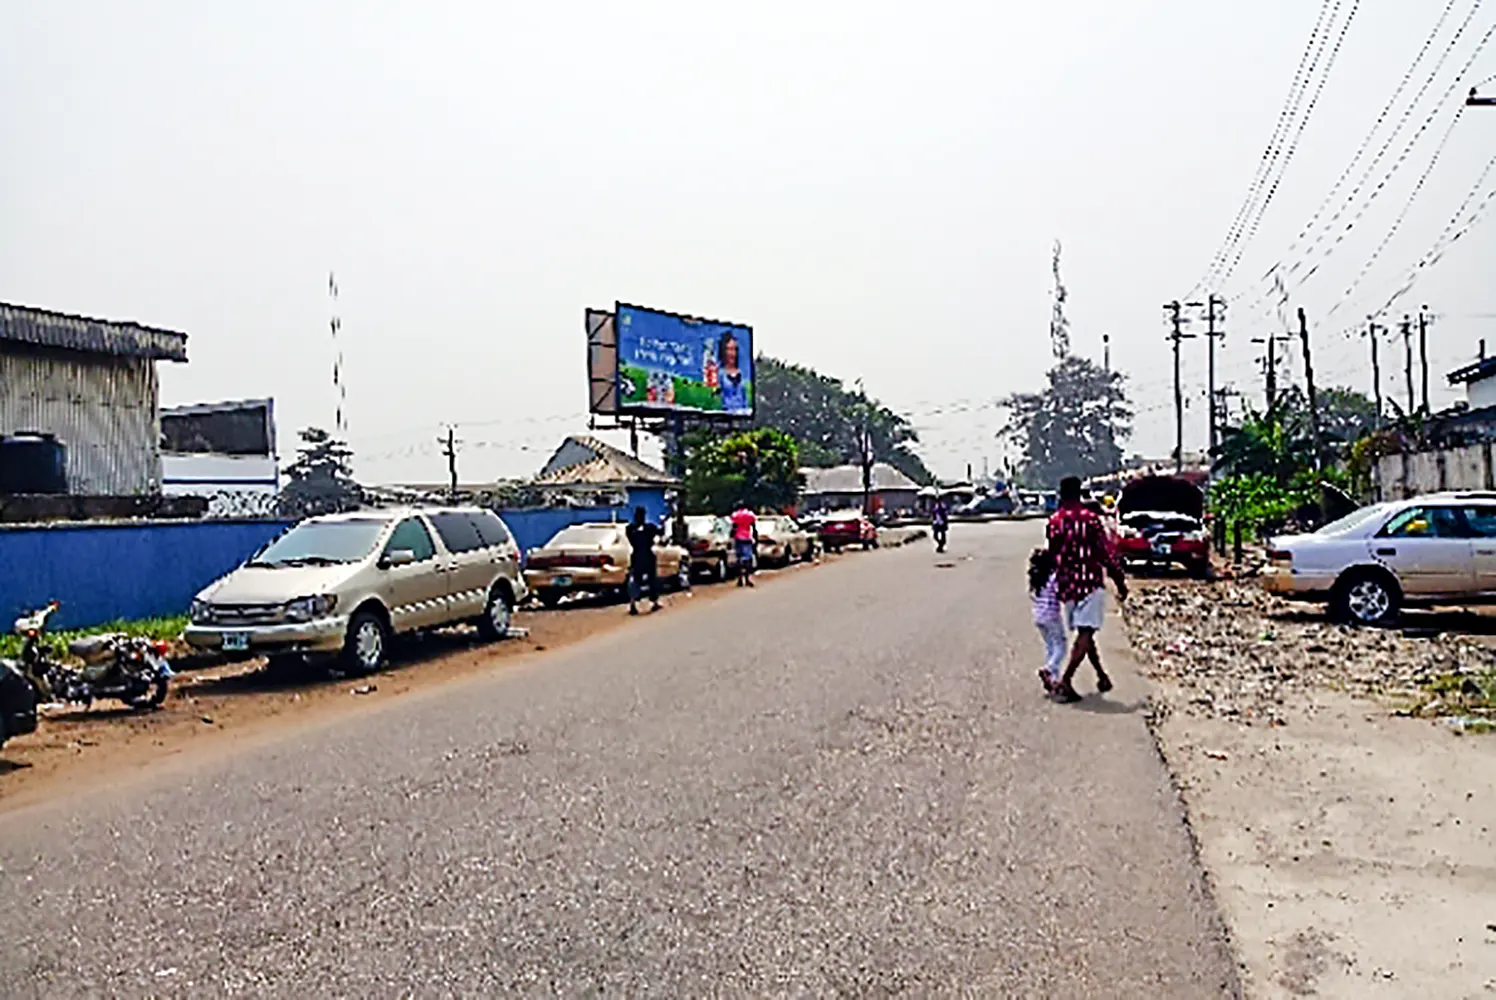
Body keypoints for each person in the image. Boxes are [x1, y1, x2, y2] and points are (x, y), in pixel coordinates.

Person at [1048, 475, 1128, 703]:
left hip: (1067, 586)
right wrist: (1119, 581)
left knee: (1085, 632)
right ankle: (1066, 680)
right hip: (1090, 582)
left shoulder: (1054, 521)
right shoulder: (1091, 521)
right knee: (1086, 631)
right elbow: (1106, 554)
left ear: (1061, 494)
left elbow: (1053, 555)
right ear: (1080, 493)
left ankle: (1101, 675)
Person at [1029, 547, 1067, 694]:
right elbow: (1060, 594)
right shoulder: (1053, 578)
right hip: (1052, 616)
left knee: (1050, 646)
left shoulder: (1036, 580)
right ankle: (1049, 670)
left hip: (1039, 617)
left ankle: (1054, 679)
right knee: (1061, 645)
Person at [625, 507, 663, 615]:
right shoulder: (649, 528)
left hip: (637, 556)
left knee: (636, 580)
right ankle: (654, 602)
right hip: (647, 555)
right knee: (651, 580)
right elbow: (659, 533)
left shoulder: (630, 529)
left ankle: (633, 604)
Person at [717, 332, 750, 413]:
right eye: (729, 349)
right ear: (723, 351)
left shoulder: (743, 372)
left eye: (734, 349)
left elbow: (745, 398)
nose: (732, 353)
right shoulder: (719, 373)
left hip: (742, 413)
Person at [729, 503, 758, 587]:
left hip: (738, 538)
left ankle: (740, 579)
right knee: (748, 559)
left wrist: (731, 536)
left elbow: (734, 527)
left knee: (739, 559)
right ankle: (747, 578)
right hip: (747, 538)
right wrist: (755, 538)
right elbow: (754, 527)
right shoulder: (750, 515)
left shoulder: (735, 515)